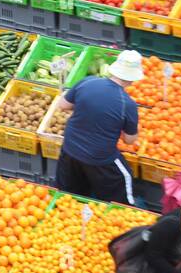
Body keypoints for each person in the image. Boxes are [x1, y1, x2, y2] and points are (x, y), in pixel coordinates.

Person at [52, 49, 141, 205]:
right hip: (99, 158)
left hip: (69, 149)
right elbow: (129, 140)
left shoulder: (88, 82)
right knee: (123, 184)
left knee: (69, 198)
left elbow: (63, 105)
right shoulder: (127, 104)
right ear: (132, 79)